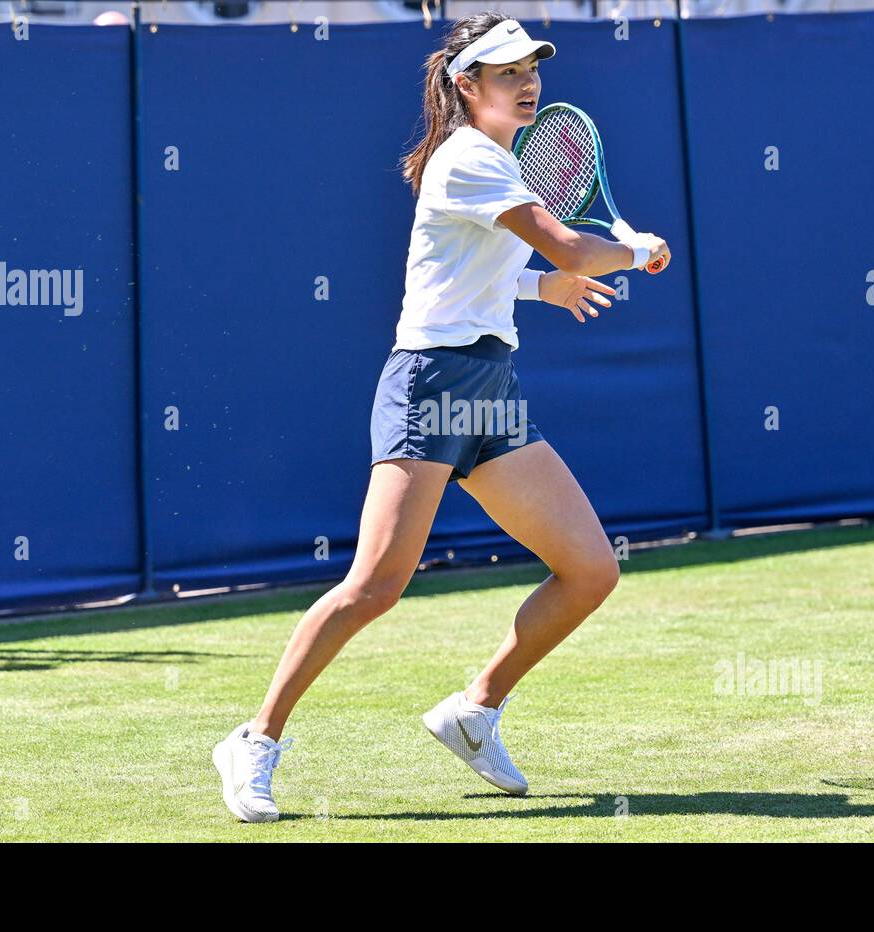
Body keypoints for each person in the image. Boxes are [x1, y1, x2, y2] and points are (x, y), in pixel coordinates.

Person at [212, 10, 671, 823]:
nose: (527, 82)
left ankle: (476, 709)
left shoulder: (495, 161)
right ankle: (254, 739)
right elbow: (567, 245)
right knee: (376, 587)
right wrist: (633, 251)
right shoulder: (466, 157)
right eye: (507, 73)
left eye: (532, 68)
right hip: (429, 383)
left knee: (592, 569)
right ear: (467, 86)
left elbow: (471, 271)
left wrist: (540, 288)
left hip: (490, 383)